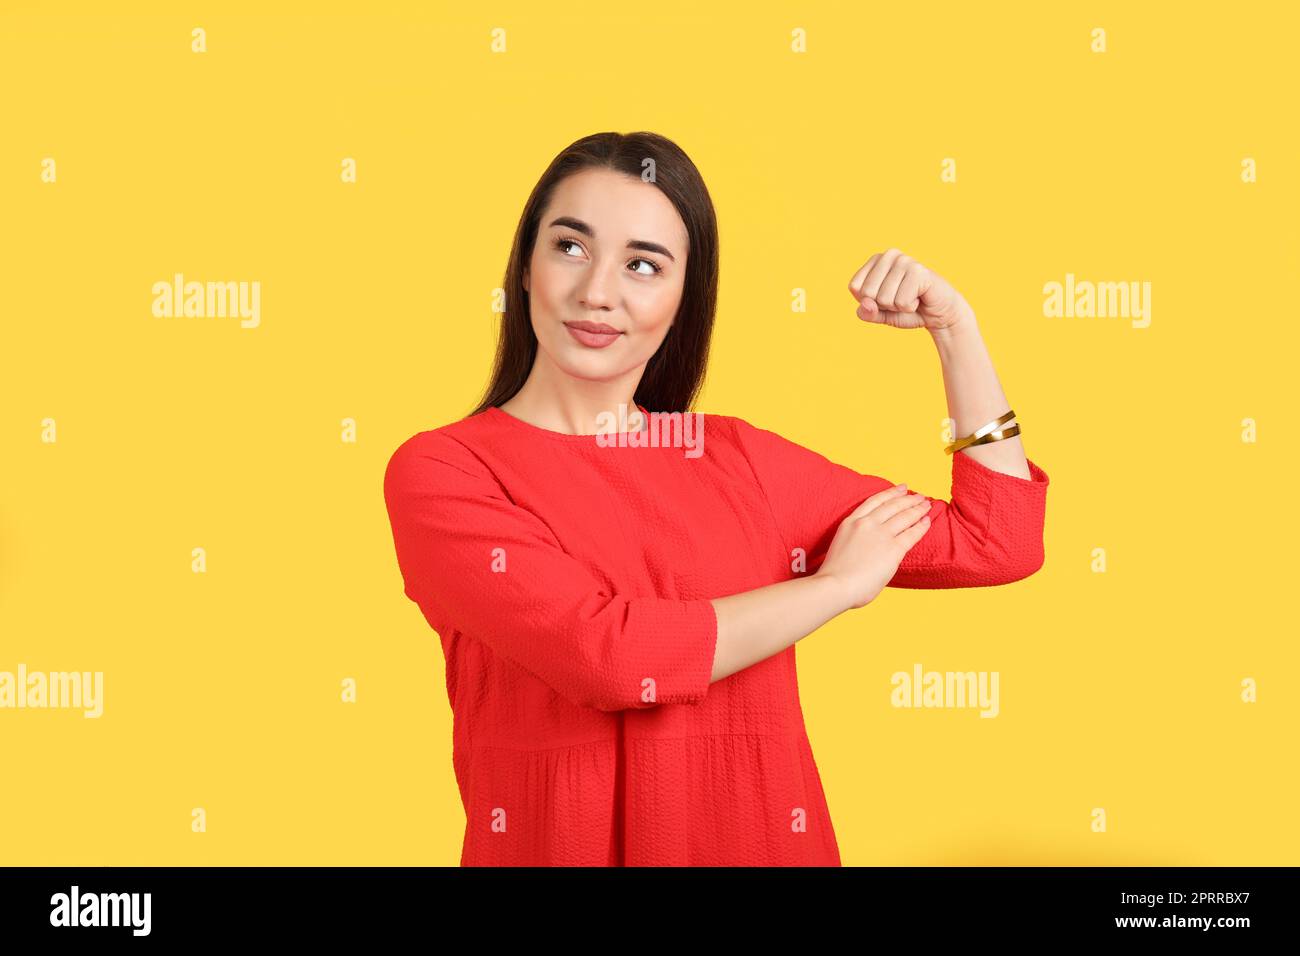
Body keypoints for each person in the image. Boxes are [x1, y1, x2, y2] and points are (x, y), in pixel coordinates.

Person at [383, 131, 1050, 866]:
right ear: (526, 266)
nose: (597, 291)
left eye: (643, 264)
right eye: (570, 247)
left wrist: (957, 332)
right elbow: (606, 657)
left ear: (681, 298)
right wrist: (835, 588)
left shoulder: (735, 460)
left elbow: (998, 541)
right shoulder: (444, 471)